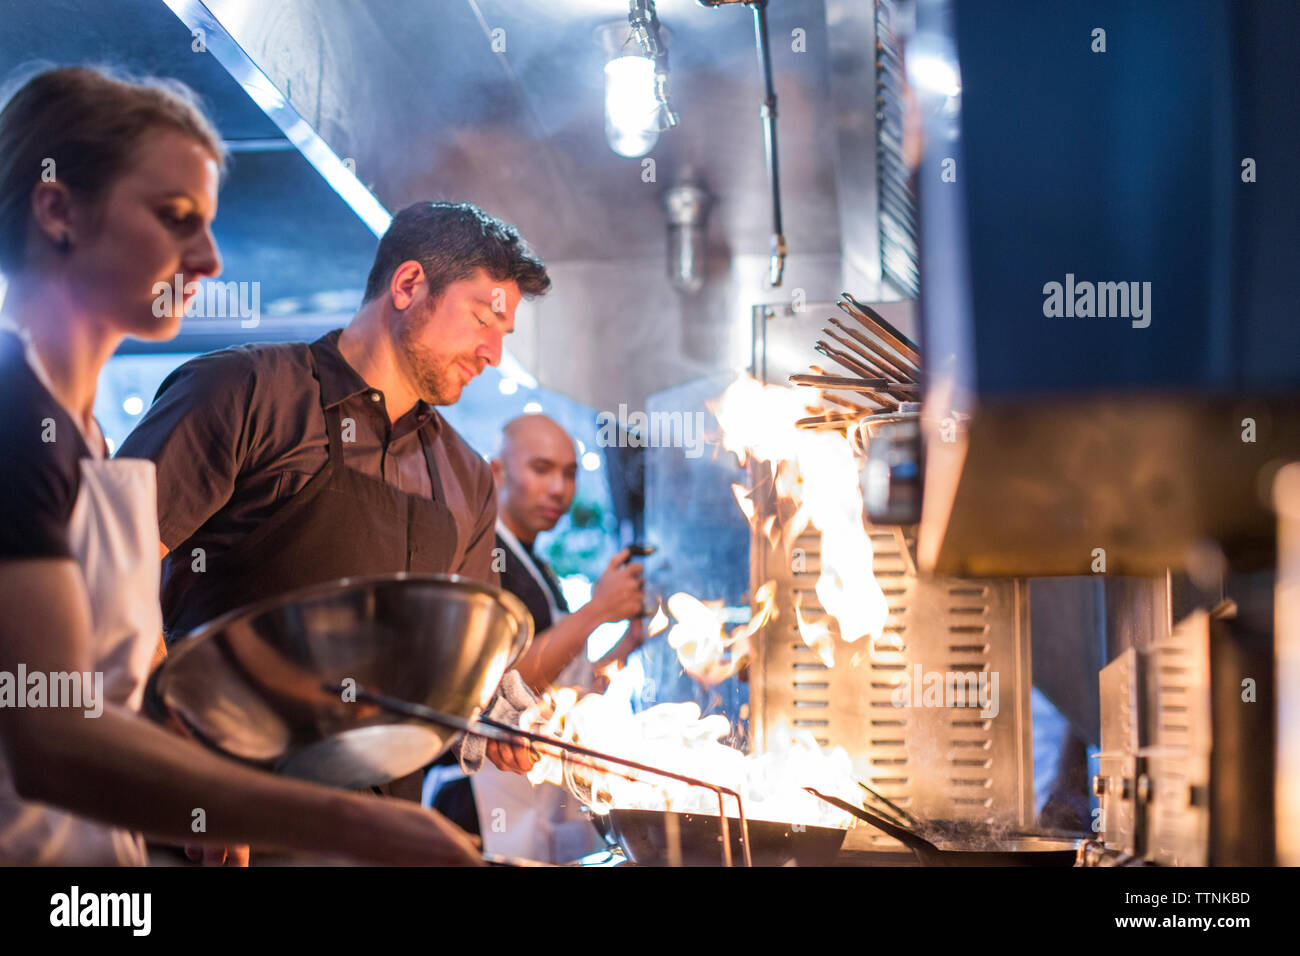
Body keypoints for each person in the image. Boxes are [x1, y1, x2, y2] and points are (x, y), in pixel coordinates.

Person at [0, 65, 479, 865]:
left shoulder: (75, 430)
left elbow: (113, 690)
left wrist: (209, 792)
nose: (212, 260)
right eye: (176, 218)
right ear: (58, 209)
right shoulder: (16, 421)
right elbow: (54, 734)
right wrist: (348, 823)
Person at [118, 201, 549, 791]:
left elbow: (465, 671)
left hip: (378, 835)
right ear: (408, 285)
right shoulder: (243, 392)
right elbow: (107, 570)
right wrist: (184, 760)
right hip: (222, 820)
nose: (494, 354)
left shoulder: (467, 477)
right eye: (482, 319)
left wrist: (500, 715)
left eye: (503, 335)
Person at [434, 413, 645, 862]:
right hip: (477, 796)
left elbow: (561, 687)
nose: (560, 490)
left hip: (534, 789)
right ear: (497, 471)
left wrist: (628, 642)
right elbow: (499, 691)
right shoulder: (484, 555)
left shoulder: (535, 564)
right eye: (541, 468)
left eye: (569, 474)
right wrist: (597, 610)